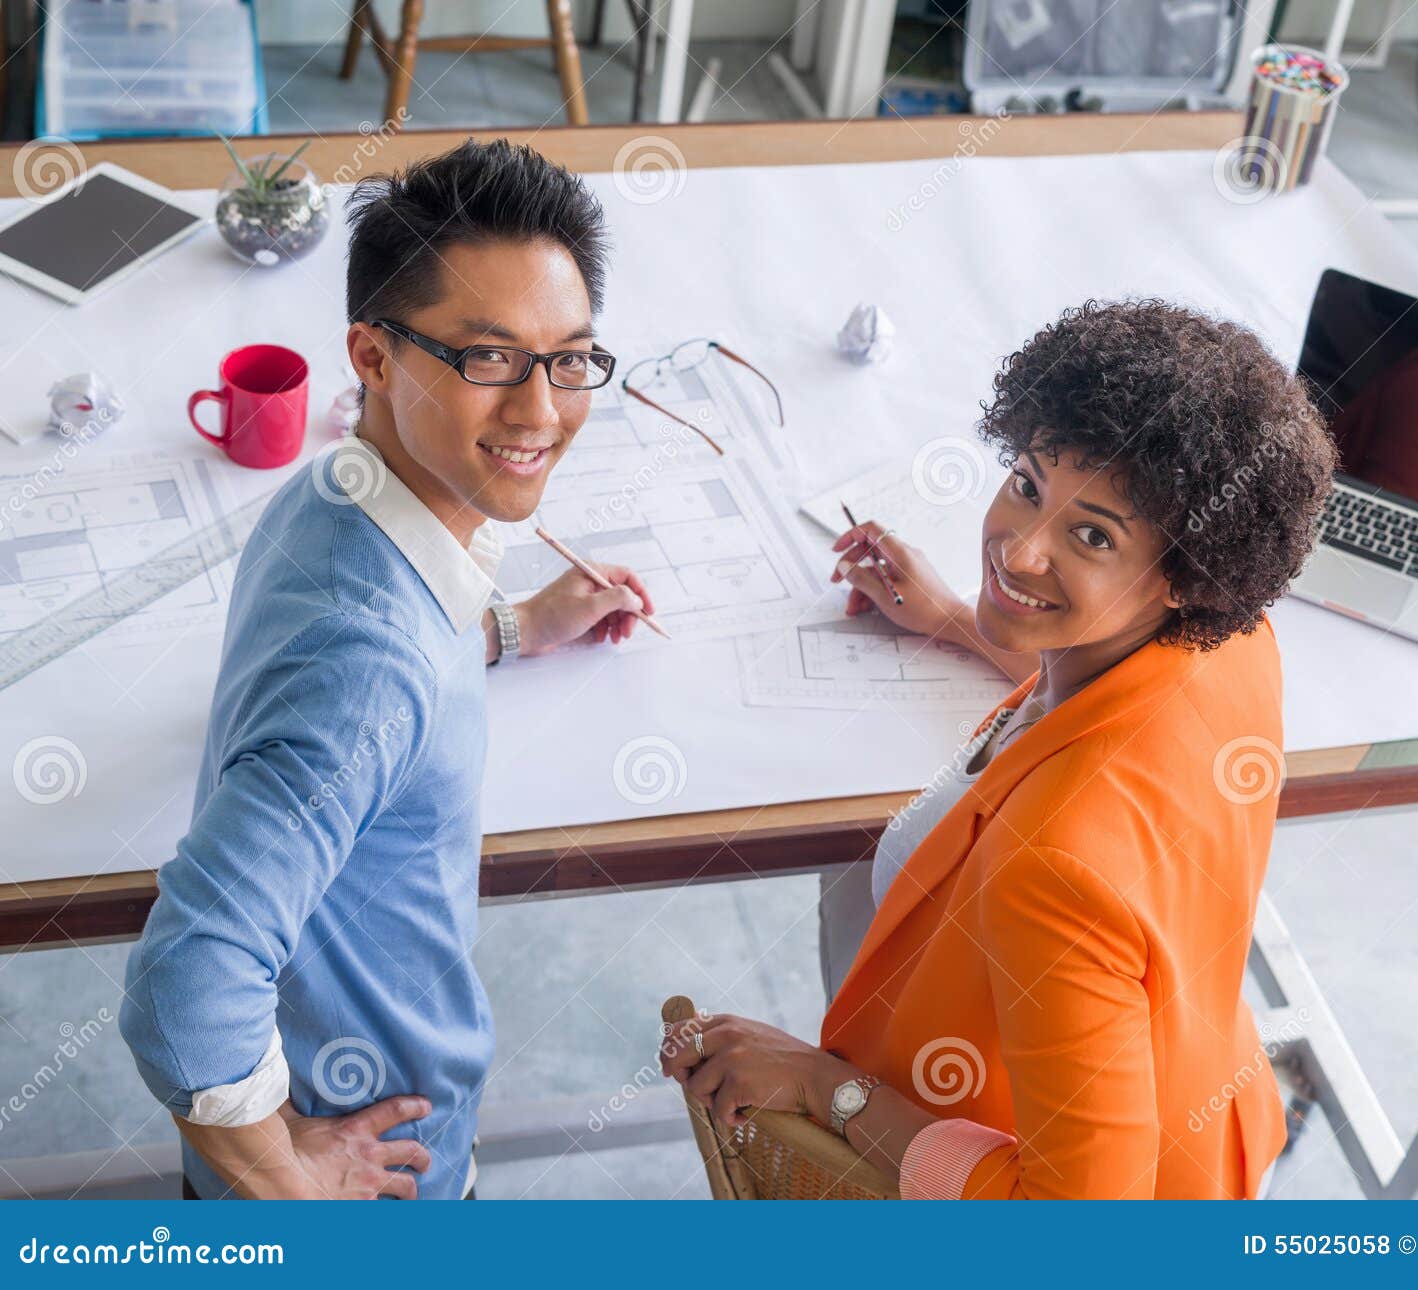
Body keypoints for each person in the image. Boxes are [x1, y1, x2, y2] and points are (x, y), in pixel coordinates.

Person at [660, 300, 1336, 1199]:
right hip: (1201, 1119)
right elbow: (1101, 696)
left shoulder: (1055, 867)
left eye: (1091, 536)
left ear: (1185, 577)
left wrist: (830, 1091)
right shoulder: (1231, 643)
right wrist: (953, 618)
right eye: (1026, 484)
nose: (1018, 551)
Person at [119, 139, 654, 1200]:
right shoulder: (373, 668)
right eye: (487, 358)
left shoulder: (346, 490)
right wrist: (289, 1179)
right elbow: (185, 983)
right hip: (371, 1171)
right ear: (370, 356)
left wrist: (507, 629)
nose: (541, 411)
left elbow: (378, 662)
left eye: (569, 358)